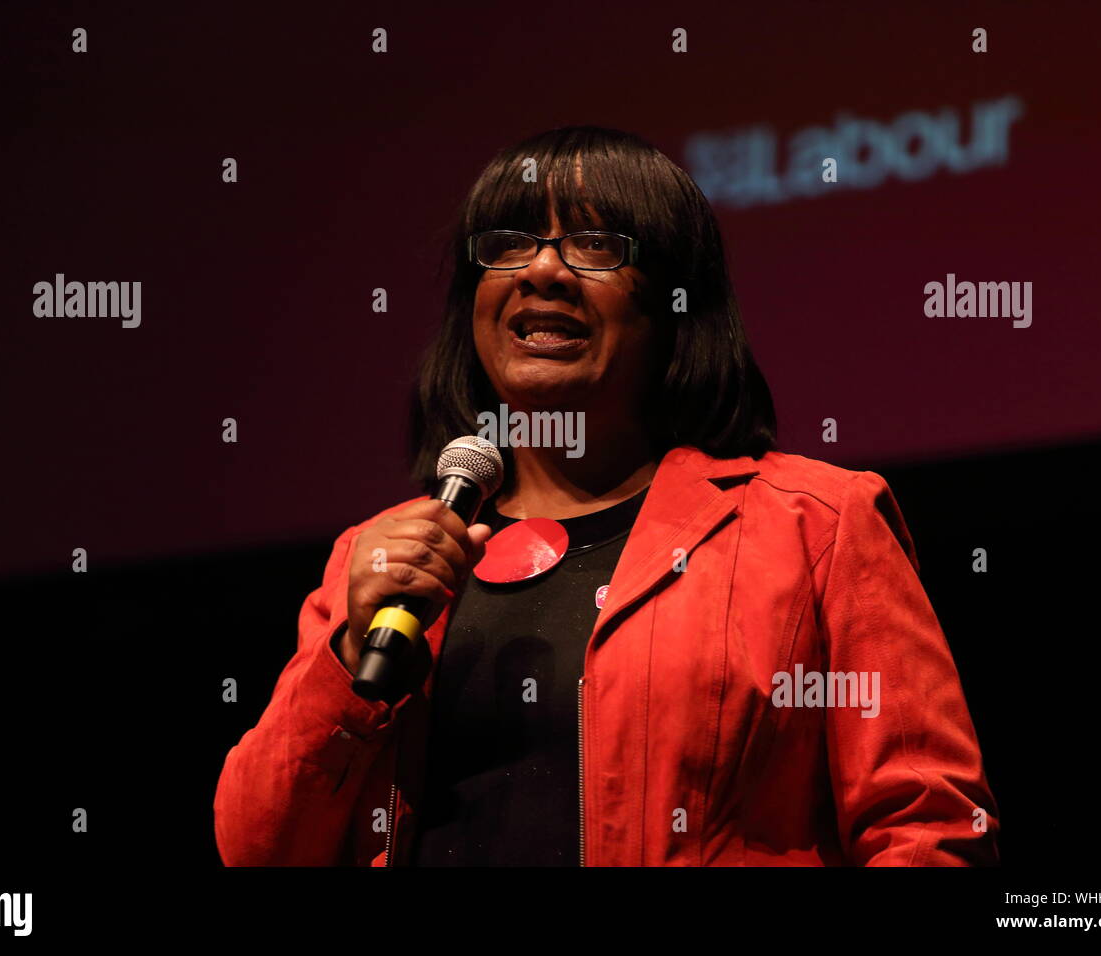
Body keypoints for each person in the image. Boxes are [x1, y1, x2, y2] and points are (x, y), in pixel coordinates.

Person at [212, 125, 1000, 866]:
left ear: (673, 308)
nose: (542, 270)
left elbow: (924, 824)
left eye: (595, 245)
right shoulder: (382, 555)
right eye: (509, 243)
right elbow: (260, 846)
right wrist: (350, 659)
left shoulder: (815, 526)